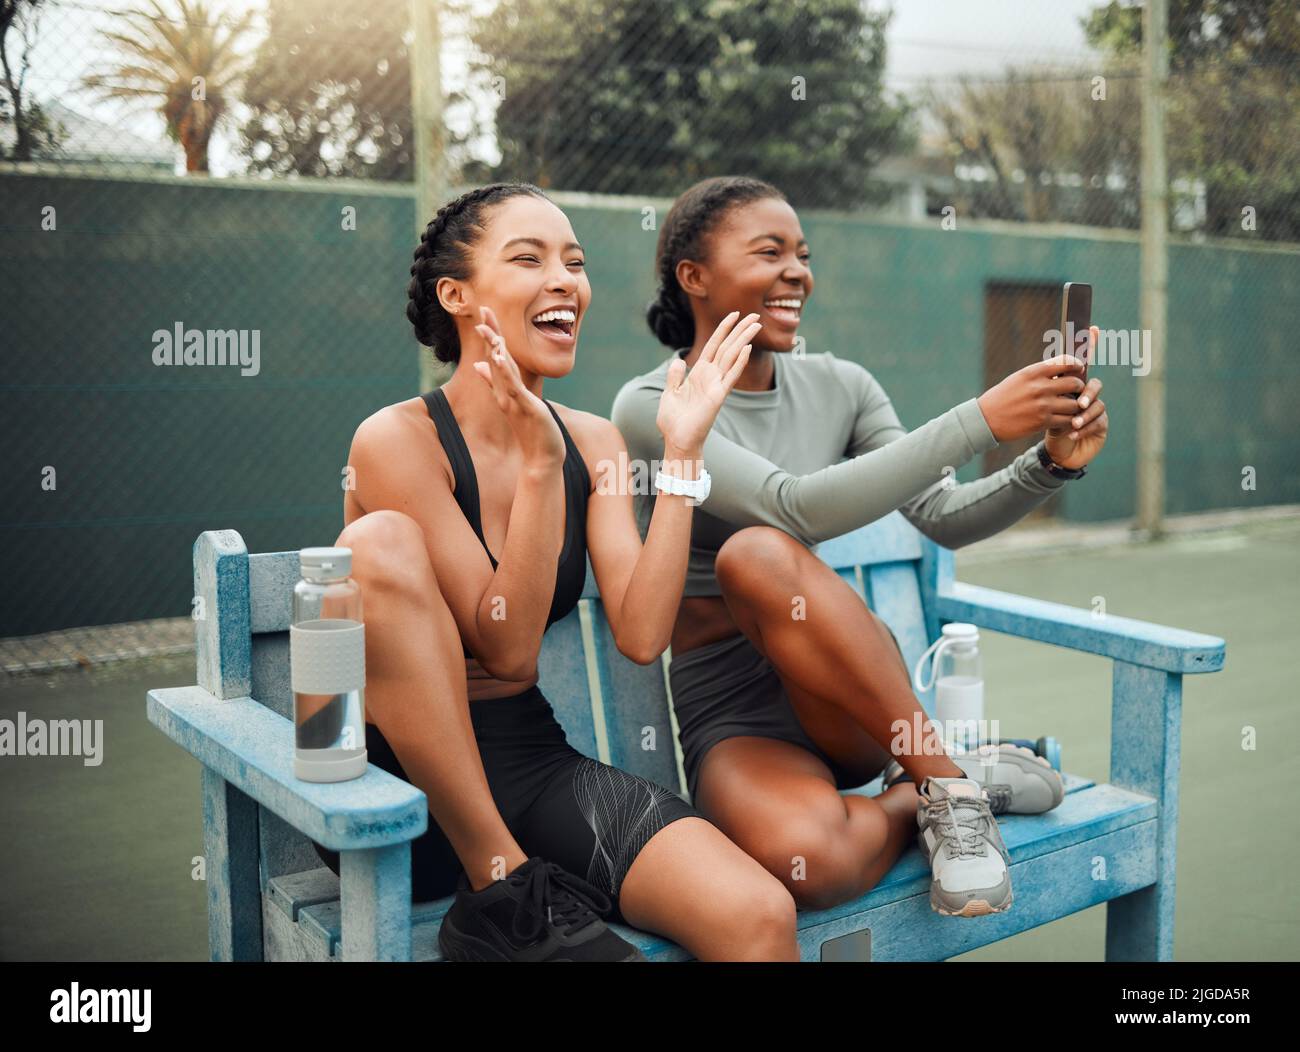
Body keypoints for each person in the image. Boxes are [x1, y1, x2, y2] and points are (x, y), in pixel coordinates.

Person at [312, 182, 800, 961]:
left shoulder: (596, 443)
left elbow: (642, 634)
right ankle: (499, 887)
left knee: (758, 917)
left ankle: (509, 888)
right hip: (390, 791)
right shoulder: (395, 440)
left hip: (525, 758)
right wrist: (541, 468)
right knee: (378, 543)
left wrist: (681, 457)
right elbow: (505, 647)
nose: (565, 280)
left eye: (575, 262)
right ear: (457, 295)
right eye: (529, 259)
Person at [611, 175, 1108, 918]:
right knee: (812, 867)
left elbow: (942, 515)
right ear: (694, 277)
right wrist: (981, 418)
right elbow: (794, 506)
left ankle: (946, 789)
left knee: (755, 555)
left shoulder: (842, 384)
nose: (797, 273)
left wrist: (1051, 463)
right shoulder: (653, 405)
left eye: (803, 255)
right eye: (769, 251)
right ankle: (933, 790)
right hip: (733, 710)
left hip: (843, 693)